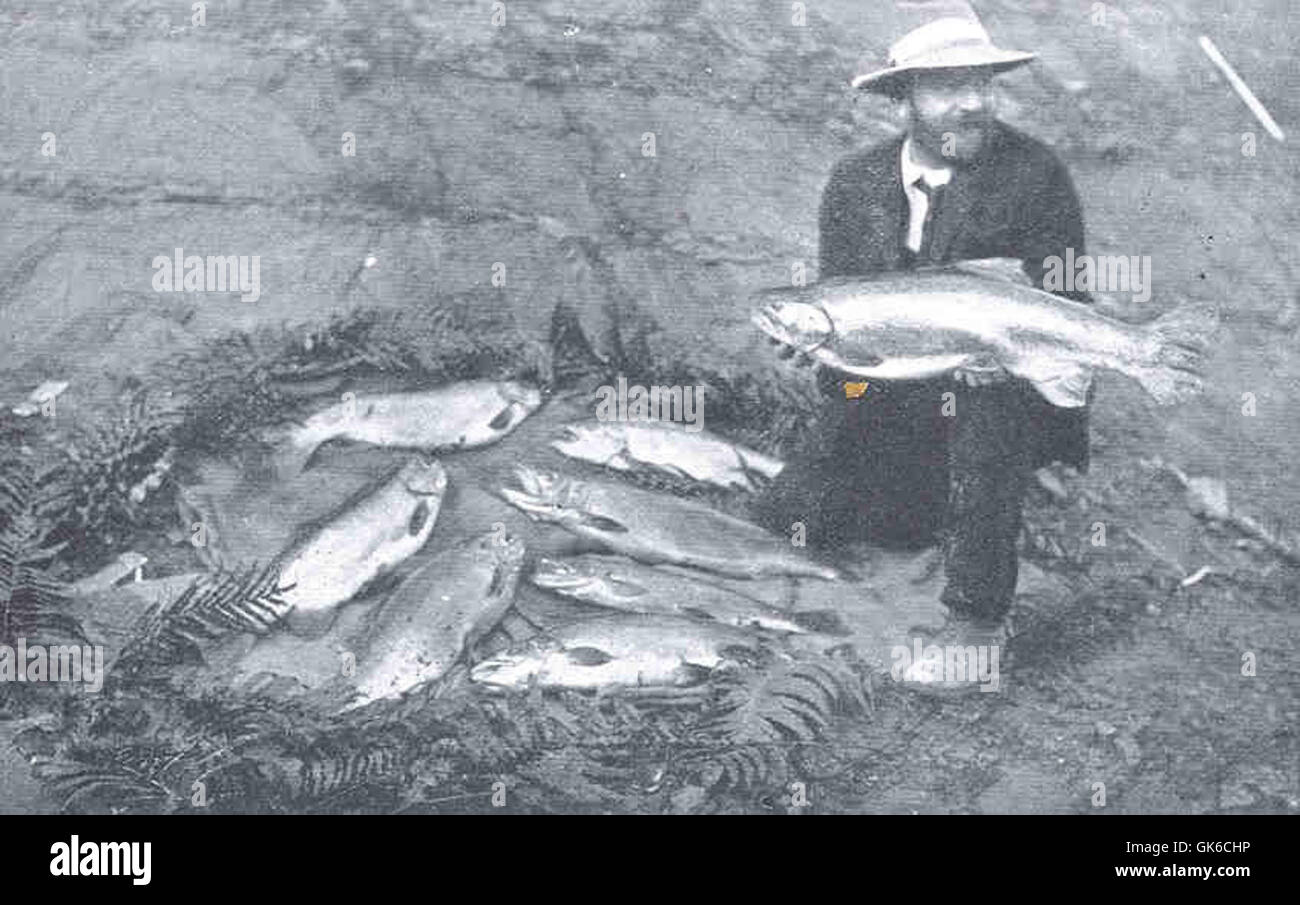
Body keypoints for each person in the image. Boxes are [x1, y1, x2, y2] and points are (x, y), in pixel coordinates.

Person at [759, 15, 1092, 682]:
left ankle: (977, 620)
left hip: (998, 392)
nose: (972, 102)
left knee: (988, 417)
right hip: (887, 390)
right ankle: (928, 504)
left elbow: (1068, 304)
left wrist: (1011, 360)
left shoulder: (1034, 175)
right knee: (788, 516)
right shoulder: (853, 184)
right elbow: (845, 332)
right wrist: (820, 354)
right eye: (947, 88)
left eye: (982, 85)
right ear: (903, 98)